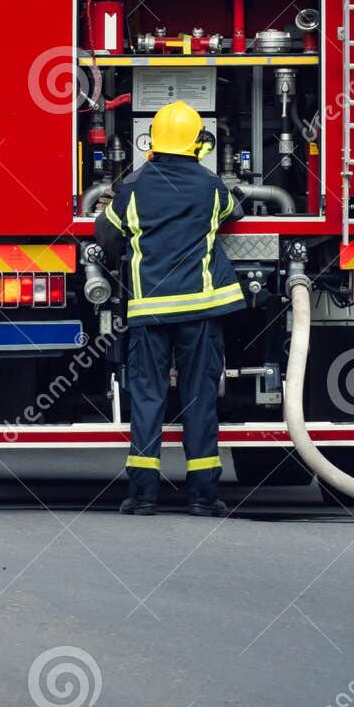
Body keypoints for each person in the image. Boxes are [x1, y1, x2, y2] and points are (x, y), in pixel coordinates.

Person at [94, 99, 244, 517]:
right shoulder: (212, 188)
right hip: (200, 313)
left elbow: (106, 234)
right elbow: (238, 209)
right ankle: (202, 496)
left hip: (150, 314)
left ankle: (142, 496)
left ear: (152, 144)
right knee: (199, 399)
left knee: (147, 397)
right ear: (198, 145)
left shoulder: (134, 190)